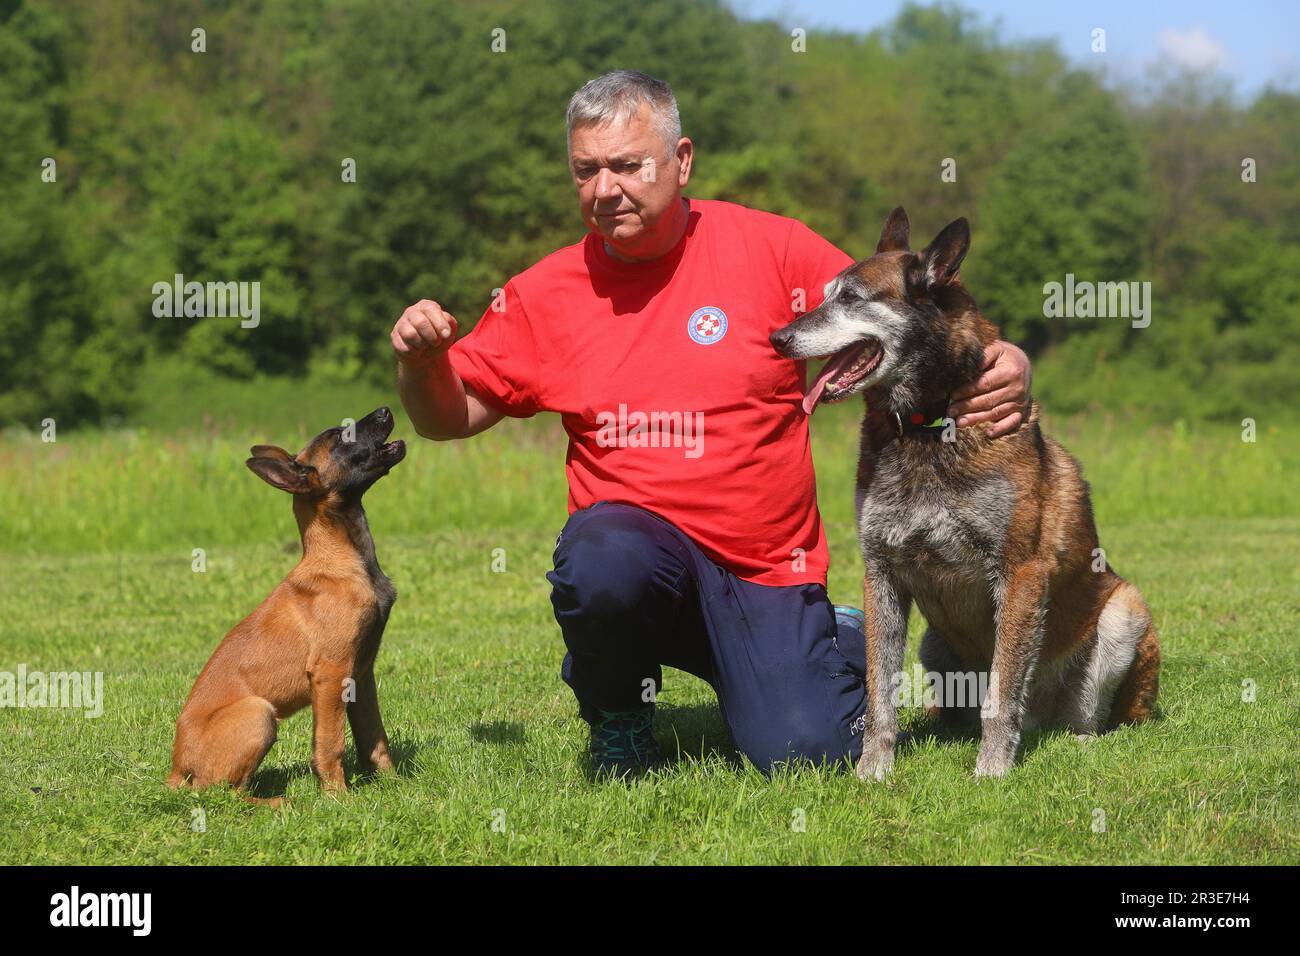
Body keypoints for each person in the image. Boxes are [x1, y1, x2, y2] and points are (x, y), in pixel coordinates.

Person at [391, 70, 1032, 777]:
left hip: (764, 571)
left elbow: (900, 313)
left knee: (803, 753)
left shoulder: (772, 248)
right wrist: (423, 364)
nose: (605, 189)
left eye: (627, 165)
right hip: (640, 567)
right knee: (601, 558)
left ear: (681, 160)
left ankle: (826, 638)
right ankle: (618, 718)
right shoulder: (542, 292)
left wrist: (1008, 358)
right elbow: (449, 417)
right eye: (586, 171)